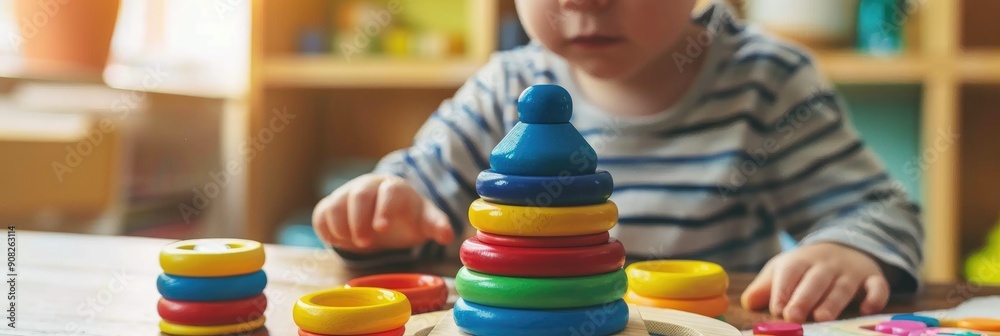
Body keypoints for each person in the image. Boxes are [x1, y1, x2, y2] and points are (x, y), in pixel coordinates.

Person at [312, 0, 924, 324]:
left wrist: (847, 250)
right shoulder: (508, 86)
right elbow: (414, 199)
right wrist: (382, 213)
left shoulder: (766, 81)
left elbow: (876, 210)